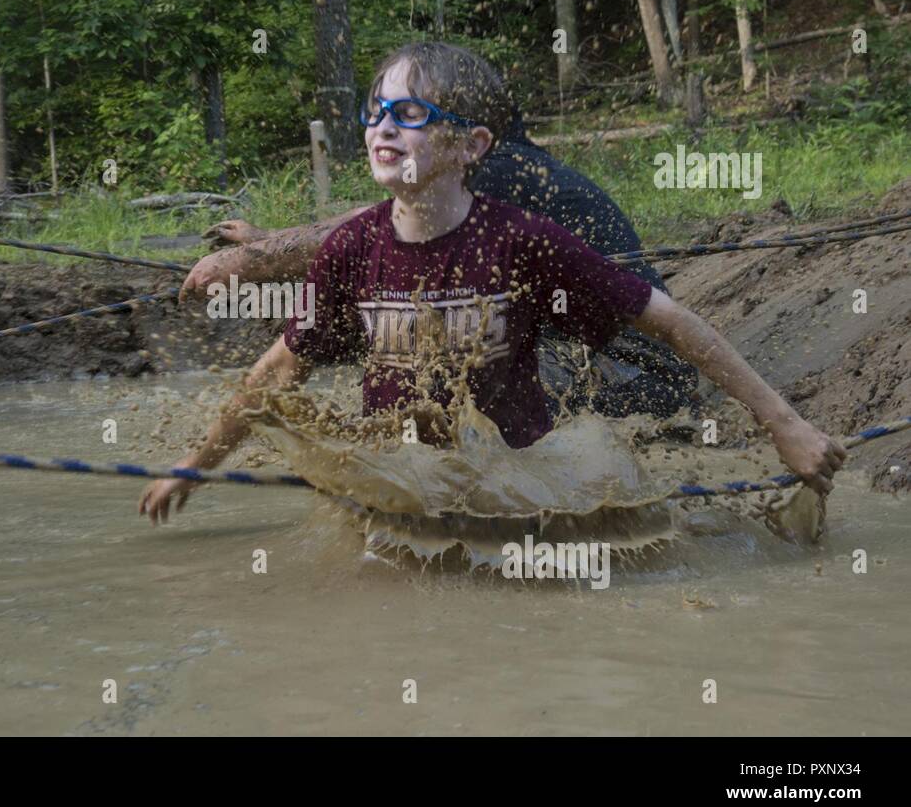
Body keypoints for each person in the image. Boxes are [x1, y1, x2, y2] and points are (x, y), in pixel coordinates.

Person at [139, 41, 844, 524]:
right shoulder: (359, 246)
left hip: (547, 453)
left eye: (411, 113)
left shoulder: (519, 216)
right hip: (406, 492)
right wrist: (195, 463)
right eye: (375, 112)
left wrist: (786, 424)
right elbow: (279, 368)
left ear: (473, 144)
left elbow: (673, 320)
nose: (384, 127)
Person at [181, 81, 696, 420]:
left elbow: (364, 227)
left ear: (469, 137)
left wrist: (248, 263)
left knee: (453, 366)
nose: (396, 128)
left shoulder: (500, 171)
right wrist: (266, 240)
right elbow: (378, 221)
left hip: (635, 376)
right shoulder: (506, 170)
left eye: (416, 114)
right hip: (612, 364)